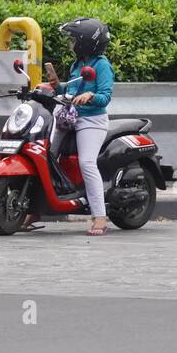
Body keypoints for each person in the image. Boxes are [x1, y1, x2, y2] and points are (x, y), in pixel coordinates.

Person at [53, 17, 116, 236]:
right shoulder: (77, 64)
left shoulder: (101, 65)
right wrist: (55, 86)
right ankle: (32, 209)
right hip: (69, 115)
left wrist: (90, 95)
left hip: (92, 120)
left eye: (73, 40)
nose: (70, 44)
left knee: (87, 163)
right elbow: (70, 89)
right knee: (45, 155)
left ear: (86, 43)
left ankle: (99, 216)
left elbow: (105, 96)